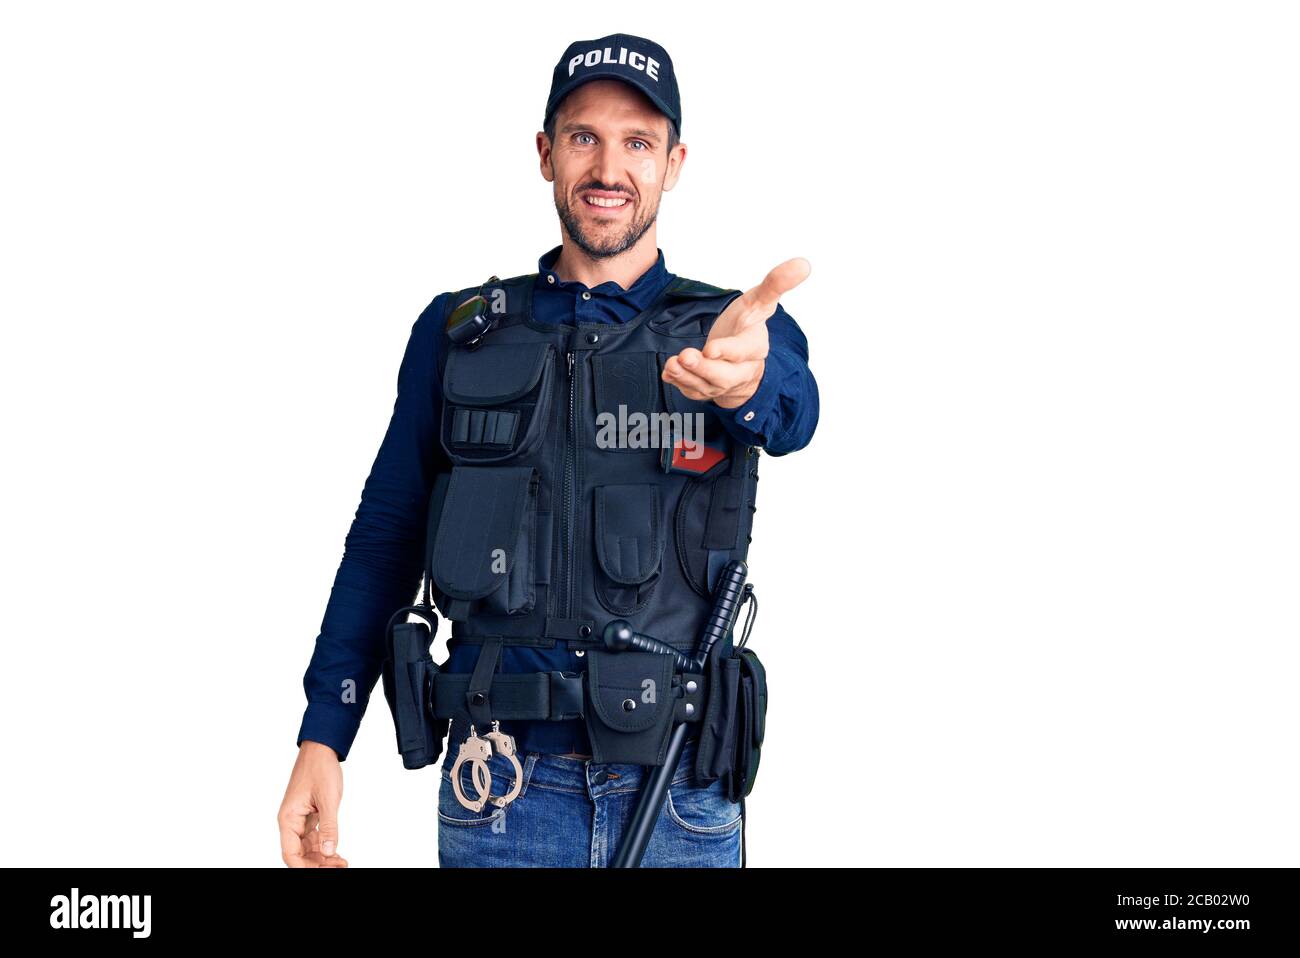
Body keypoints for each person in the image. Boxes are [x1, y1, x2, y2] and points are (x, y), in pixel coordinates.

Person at [278, 33, 818, 868]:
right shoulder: (458, 333)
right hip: (498, 790)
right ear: (545, 153)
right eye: (584, 137)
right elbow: (386, 537)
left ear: (674, 164)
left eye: (638, 143)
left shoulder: (728, 329)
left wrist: (752, 383)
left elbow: (794, 413)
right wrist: (325, 732)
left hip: (679, 794)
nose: (609, 168)